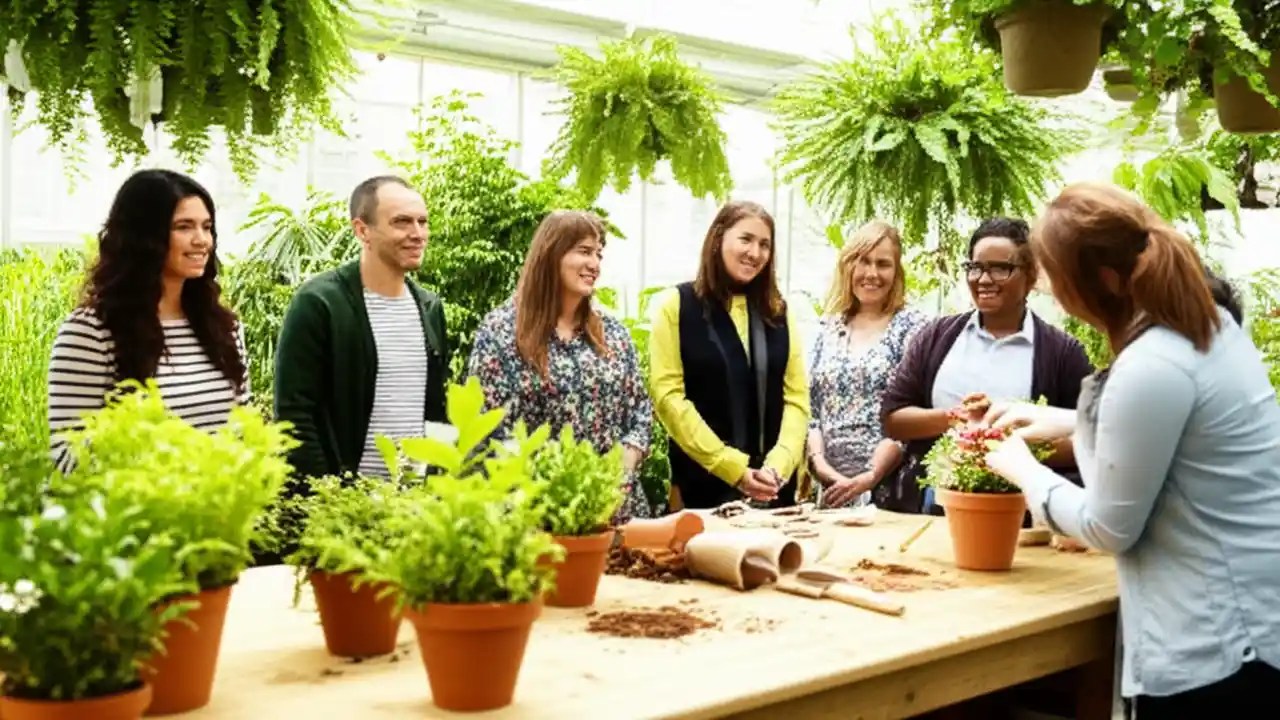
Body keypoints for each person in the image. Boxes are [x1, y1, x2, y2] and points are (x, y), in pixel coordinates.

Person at [981, 182, 1280, 716]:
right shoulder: (1206, 328)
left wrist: (1021, 467)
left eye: (1052, 274)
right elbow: (1187, 438)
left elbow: (1109, 527)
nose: (1050, 291)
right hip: (1257, 626)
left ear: (1100, 280)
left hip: (1219, 646)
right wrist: (1064, 420)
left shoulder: (1151, 365)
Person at [880, 217, 1093, 514]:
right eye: (975, 267)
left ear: (1031, 277)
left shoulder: (1062, 353)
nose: (983, 279)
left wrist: (1006, 445)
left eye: (1000, 268)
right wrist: (959, 420)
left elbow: (1088, 438)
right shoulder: (936, 337)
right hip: (933, 506)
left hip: (1021, 514)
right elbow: (893, 418)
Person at [47, 170, 250, 471]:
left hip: (217, 513)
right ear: (144, 237)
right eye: (184, 227)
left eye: (207, 227)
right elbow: (66, 457)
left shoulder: (224, 328)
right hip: (134, 514)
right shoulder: (90, 333)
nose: (202, 240)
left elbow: (245, 434)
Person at [467, 210, 653, 522]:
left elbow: (640, 412)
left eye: (598, 254)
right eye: (583, 251)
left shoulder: (613, 333)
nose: (594, 264)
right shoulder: (501, 332)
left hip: (616, 511)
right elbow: (488, 428)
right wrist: (551, 488)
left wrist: (623, 466)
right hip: (538, 516)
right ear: (551, 254)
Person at [274, 176, 449, 482]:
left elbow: (433, 410)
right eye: (402, 222)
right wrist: (327, 497)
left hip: (412, 504)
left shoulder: (429, 308)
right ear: (362, 230)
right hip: (344, 506)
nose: (418, 233)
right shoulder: (320, 303)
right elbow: (295, 416)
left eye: (423, 221)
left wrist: (432, 485)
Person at [650, 200, 809, 510]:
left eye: (765, 244)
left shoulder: (778, 313)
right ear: (718, 238)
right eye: (746, 239)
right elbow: (668, 397)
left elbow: (797, 398)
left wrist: (780, 464)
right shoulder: (676, 305)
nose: (755, 252)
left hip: (774, 488)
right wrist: (732, 468)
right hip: (702, 486)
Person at [806, 221, 927, 509]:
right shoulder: (828, 327)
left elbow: (911, 413)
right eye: (863, 262)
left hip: (888, 489)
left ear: (897, 272)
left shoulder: (913, 328)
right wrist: (821, 466)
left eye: (883, 264)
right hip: (831, 489)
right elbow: (812, 411)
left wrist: (870, 476)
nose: (872, 273)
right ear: (848, 267)